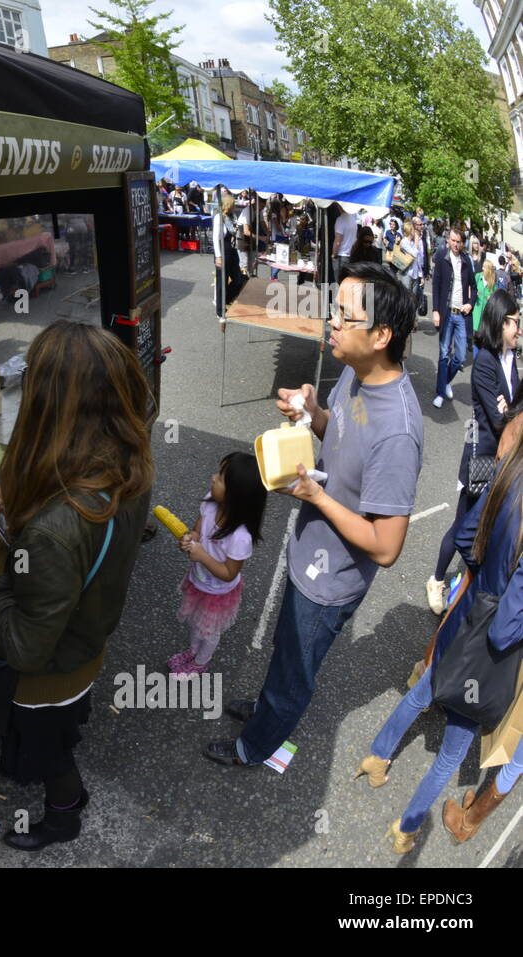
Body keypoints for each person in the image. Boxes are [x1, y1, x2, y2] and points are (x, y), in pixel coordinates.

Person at [205, 262, 423, 768]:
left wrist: (318, 499)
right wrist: (312, 415)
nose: (332, 324)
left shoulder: (400, 432)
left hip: (331, 581)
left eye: (345, 317)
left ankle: (253, 747)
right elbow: (341, 431)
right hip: (308, 552)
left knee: (295, 672)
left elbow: (387, 546)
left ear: (381, 335)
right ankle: (266, 710)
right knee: (284, 653)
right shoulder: (357, 369)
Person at [0, 321, 153, 850]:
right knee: (57, 728)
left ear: (46, 403)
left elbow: (26, 648)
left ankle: (64, 813)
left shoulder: (54, 528)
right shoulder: (129, 460)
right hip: (87, 640)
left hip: (51, 672)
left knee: (48, 750)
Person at [361, 428, 523, 853]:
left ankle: (377, 757)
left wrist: (485, 580)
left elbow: (467, 538)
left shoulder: (510, 473)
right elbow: (509, 627)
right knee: (451, 754)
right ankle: (407, 828)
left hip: (466, 609)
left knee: (424, 689)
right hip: (486, 650)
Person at [426, 290, 519, 614]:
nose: (518, 329)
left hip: (501, 458)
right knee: (463, 524)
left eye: (519, 323)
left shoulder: (510, 360)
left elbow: (513, 408)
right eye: (513, 322)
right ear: (498, 321)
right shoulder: (484, 361)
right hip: (480, 455)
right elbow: (498, 418)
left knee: (483, 527)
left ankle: (459, 585)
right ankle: (436, 578)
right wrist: (508, 412)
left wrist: (509, 410)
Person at [167, 452, 267, 676]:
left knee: (208, 631)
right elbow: (197, 531)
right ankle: (193, 651)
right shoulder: (210, 504)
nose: (213, 478)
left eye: (221, 477)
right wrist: (189, 539)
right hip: (199, 580)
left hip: (217, 593)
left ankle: (201, 661)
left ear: (237, 495)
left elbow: (229, 573)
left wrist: (202, 556)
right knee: (195, 623)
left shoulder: (240, 537)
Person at [430, 228, 478, 409]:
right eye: (453, 240)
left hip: (461, 315)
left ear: (462, 242)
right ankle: (440, 392)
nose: (456, 244)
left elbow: (474, 287)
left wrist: (471, 303)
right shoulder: (442, 257)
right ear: (448, 240)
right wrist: (435, 310)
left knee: (459, 356)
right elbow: (435, 286)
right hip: (446, 313)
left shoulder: (466, 261)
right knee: (444, 353)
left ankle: (445, 382)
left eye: (459, 241)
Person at [212, 192, 246, 315]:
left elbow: (236, 231)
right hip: (222, 251)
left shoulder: (232, 217)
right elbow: (215, 238)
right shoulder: (219, 217)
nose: (234, 207)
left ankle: (226, 299)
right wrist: (218, 256)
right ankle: (220, 310)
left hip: (232, 251)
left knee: (239, 279)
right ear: (228, 205)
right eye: (233, 204)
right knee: (222, 281)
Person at [331, 203, 358, 283]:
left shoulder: (340, 220)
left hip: (341, 256)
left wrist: (333, 254)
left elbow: (338, 241)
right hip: (350, 255)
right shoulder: (353, 220)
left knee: (338, 281)